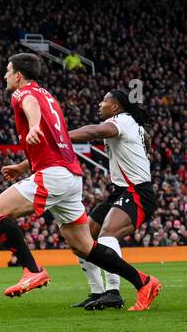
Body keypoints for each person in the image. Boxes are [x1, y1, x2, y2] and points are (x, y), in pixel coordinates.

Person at [0, 54, 160, 311]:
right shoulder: (49, 97)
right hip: (71, 177)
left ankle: (32, 270)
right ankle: (143, 282)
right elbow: (57, 142)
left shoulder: (23, 93)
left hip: (55, 176)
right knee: (84, 246)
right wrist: (23, 165)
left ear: (19, 75)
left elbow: (29, 104)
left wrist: (32, 126)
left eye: (8, 71)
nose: (5, 75)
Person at [67, 89, 157, 310]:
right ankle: (97, 291)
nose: (99, 103)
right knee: (82, 240)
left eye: (104, 100)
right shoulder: (133, 125)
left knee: (107, 236)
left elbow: (92, 132)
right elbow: (147, 139)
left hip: (136, 192)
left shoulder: (122, 120)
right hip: (120, 191)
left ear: (115, 107)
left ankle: (117, 291)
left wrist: (58, 136)